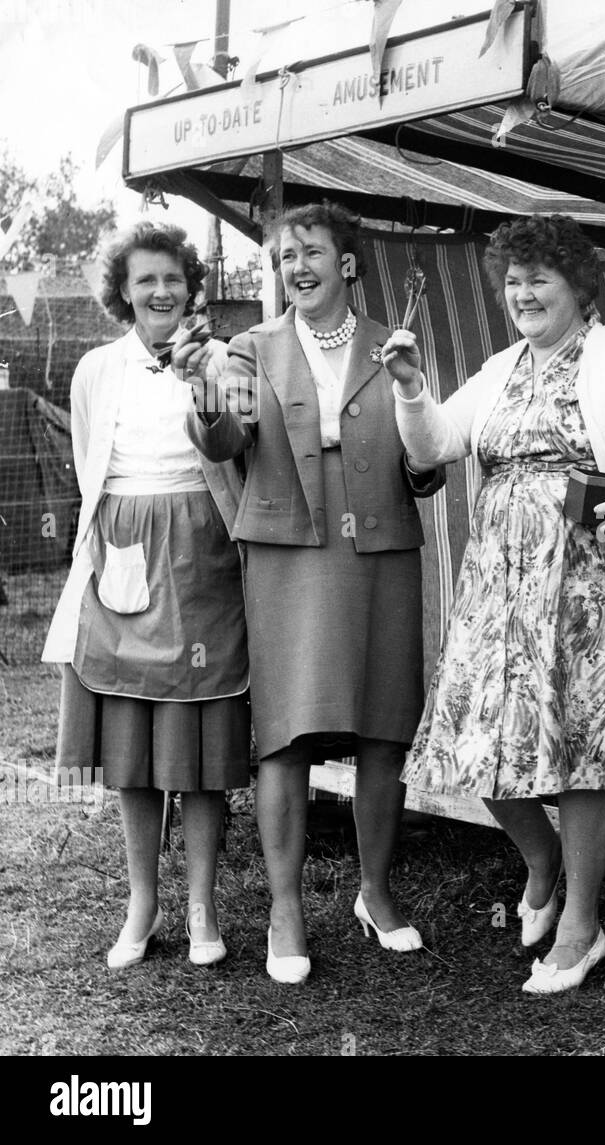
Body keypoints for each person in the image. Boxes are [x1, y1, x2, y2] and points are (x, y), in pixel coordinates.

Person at [390, 214, 605, 993]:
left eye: (540, 278)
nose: (523, 293)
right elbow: (433, 445)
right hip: (498, 583)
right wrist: (409, 388)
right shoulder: (501, 366)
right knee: (476, 737)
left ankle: (582, 928)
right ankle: (542, 859)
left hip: (590, 584)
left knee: (581, 754)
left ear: (576, 286)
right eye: (513, 280)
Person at [179, 201, 444, 984]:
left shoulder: (389, 342)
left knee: (383, 728)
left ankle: (376, 892)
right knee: (286, 734)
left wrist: (414, 391)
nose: (296, 267)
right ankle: (285, 908)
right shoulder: (248, 348)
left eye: (312, 252)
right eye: (285, 257)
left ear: (348, 263)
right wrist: (204, 398)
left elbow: (424, 467)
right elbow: (227, 441)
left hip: (383, 547)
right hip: (290, 548)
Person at [42, 220, 249, 969]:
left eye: (172, 277)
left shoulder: (229, 358)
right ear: (122, 293)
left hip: (202, 549)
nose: (160, 291)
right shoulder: (95, 369)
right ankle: (142, 903)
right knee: (131, 745)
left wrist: (201, 381)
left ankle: (201, 906)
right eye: (144, 280)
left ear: (192, 285)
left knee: (196, 743)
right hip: (124, 550)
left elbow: (232, 447)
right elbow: (89, 465)